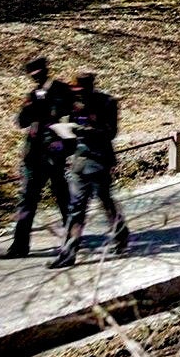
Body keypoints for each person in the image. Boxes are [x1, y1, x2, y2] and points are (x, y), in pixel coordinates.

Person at [50, 68, 130, 268]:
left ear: (90, 87)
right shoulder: (74, 105)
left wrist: (84, 130)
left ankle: (121, 234)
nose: (78, 94)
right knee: (76, 208)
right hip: (79, 162)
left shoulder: (107, 103)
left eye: (81, 90)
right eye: (75, 91)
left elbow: (110, 132)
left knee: (105, 201)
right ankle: (67, 253)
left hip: (99, 162)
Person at [2, 56, 72, 259]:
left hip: (55, 153)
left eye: (38, 72)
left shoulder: (61, 90)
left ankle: (72, 239)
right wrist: (32, 107)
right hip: (33, 156)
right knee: (26, 201)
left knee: (62, 198)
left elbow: (66, 115)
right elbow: (22, 121)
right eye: (32, 74)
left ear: (45, 70)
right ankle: (19, 246)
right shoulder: (32, 95)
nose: (36, 77)